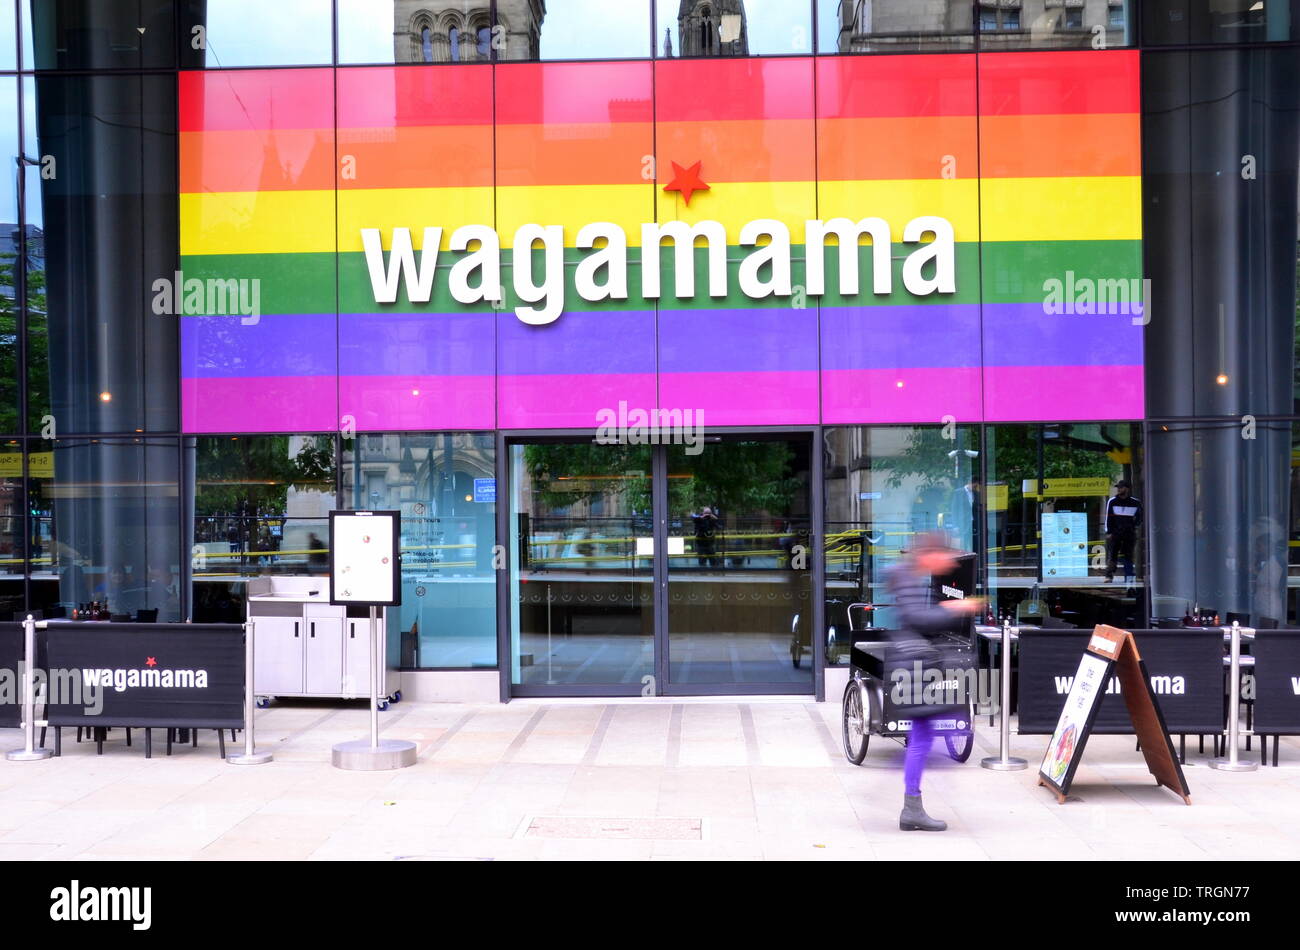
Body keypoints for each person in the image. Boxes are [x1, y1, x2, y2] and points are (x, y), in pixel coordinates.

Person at [885, 532, 984, 832]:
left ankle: (912, 806)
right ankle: (911, 807)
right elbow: (917, 618)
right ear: (929, 554)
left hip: (917, 666)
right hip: (913, 668)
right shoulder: (904, 575)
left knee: (923, 736)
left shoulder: (909, 573)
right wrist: (954, 609)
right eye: (942, 557)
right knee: (922, 738)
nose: (946, 564)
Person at [1104, 480, 1143, 583]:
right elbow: (1108, 517)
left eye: (1121, 487)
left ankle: (1129, 577)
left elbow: (1140, 517)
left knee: (1128, 555)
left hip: (1129, 533)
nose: (1119, 489)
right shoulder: (1112, 501)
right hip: (1115, 533)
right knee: (1113, 554)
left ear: (1127, 489)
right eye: (1118, 487)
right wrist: (1109, 532)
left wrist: (1134, 526)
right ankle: (1109, 575)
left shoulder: (1135, 502)